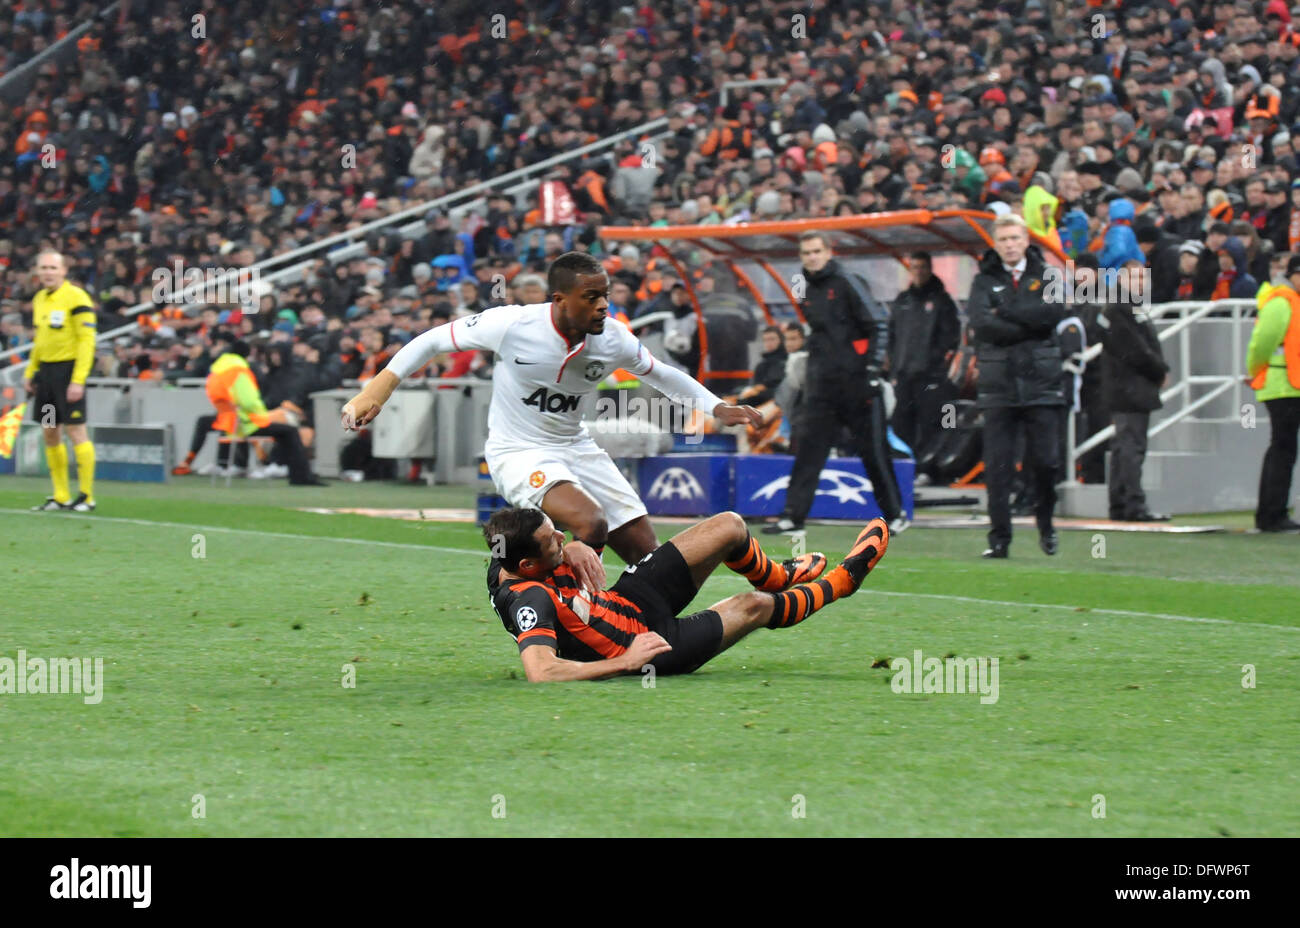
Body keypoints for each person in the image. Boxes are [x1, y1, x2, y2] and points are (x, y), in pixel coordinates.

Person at [342, 252, 761, 588]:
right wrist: (375, 390)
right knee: (589, 523)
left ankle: (634, 621)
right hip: (518, 451)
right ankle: (579, 616)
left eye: (605, 296)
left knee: (650, 563)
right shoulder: (513, 325)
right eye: (591, 297)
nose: (602, 306)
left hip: (576, 447)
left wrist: (715, 406)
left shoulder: (613, 338)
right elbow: (432, 340)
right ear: (559, 300)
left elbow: (661, 373)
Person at [483, 506, 889, 681]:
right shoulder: (529, 601)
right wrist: (627, 663)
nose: (560, 537)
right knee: (754, 607)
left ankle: (777, 576)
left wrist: (569, 546)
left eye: (554, 529)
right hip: (650, 644)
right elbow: (542, 672)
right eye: (552, 541)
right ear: (528, 568)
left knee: (728, 526)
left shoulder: (509, 551)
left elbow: (556, 542)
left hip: (629, 601)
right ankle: (842, 582)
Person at [763, 231, 905, 535]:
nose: (812, 257)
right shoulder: (803, 287)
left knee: (874, 452)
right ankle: (793, 517)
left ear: (829, 252)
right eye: (806, 253)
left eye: (816, 251)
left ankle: (894, 515)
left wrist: (871, 371)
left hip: (857, 382)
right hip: (822, 384)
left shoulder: (847, 281)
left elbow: (878, 324)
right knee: (808, 450)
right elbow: (815, 329)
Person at [967, 214, 1066, 558]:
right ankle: (999, 539)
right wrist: (1027, 319)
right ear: (996, 243)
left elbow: (1052, 314)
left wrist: (1005, 312)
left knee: (1046, 463)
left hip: (1041, 382)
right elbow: (981, 324)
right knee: (997, 466)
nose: (1009, 244)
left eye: (1014, 238)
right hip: (999, 385)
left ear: (1025, 240)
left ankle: (1047, 526)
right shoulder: (983, 281)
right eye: (1003, 239)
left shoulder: (1048, 276)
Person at [24, 251, 98, 512]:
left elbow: (87, 341)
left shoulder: (76, 297)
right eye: (43, 267)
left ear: (64, 270)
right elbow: (40, 340)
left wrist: (78, 380)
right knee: (50, 431)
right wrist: (31, 371)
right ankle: (61, 495)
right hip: (45, 376)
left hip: (68, 374)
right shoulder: (39, 299)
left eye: (52, 268)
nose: (47, 272)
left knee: (76, 430)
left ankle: (87, 496)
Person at [1097, 259, 1170, 522]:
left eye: (1142, 278)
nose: (1139, 283)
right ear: (1121, 279)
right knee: (1131, 447)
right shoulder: (1119, 308)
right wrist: (1160, 369)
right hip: (1129, 387)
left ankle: (1120, 504)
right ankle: (1133, 505)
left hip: (1128, 387)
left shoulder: (1127, 307)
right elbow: (1135, 349)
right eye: (1134, 278)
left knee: (1123, 446)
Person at [205, 340, 326, 486]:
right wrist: (262, 413)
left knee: (285, 431)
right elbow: (249, 401)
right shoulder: (239, 371)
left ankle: (281, 466)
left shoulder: (219, 371)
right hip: (249, 422)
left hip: (232, 423)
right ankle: (299, 475)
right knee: (290, 431)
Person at [888, 251, 961, 469]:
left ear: (930, 269)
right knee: (901, 424)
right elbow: (892, 336)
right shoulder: (902, 301)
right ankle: (903, 467)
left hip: (930, 377)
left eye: (922, 267)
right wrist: (893, 367)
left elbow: (951, 337)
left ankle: (927, 469)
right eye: (914, 267)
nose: (918, 272)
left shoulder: (942, 301)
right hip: (903, 376)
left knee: (931, 424)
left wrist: (934, 361)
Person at [1247, 253, 1300, 532]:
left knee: (1283, 449)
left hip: (1288, 384)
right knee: (1283, 449)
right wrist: (1255, 370)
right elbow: (1262, 342)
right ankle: (1272, 514)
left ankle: (1272, 512)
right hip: (1283, 384)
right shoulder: (1281, 302)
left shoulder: (1287, 300)